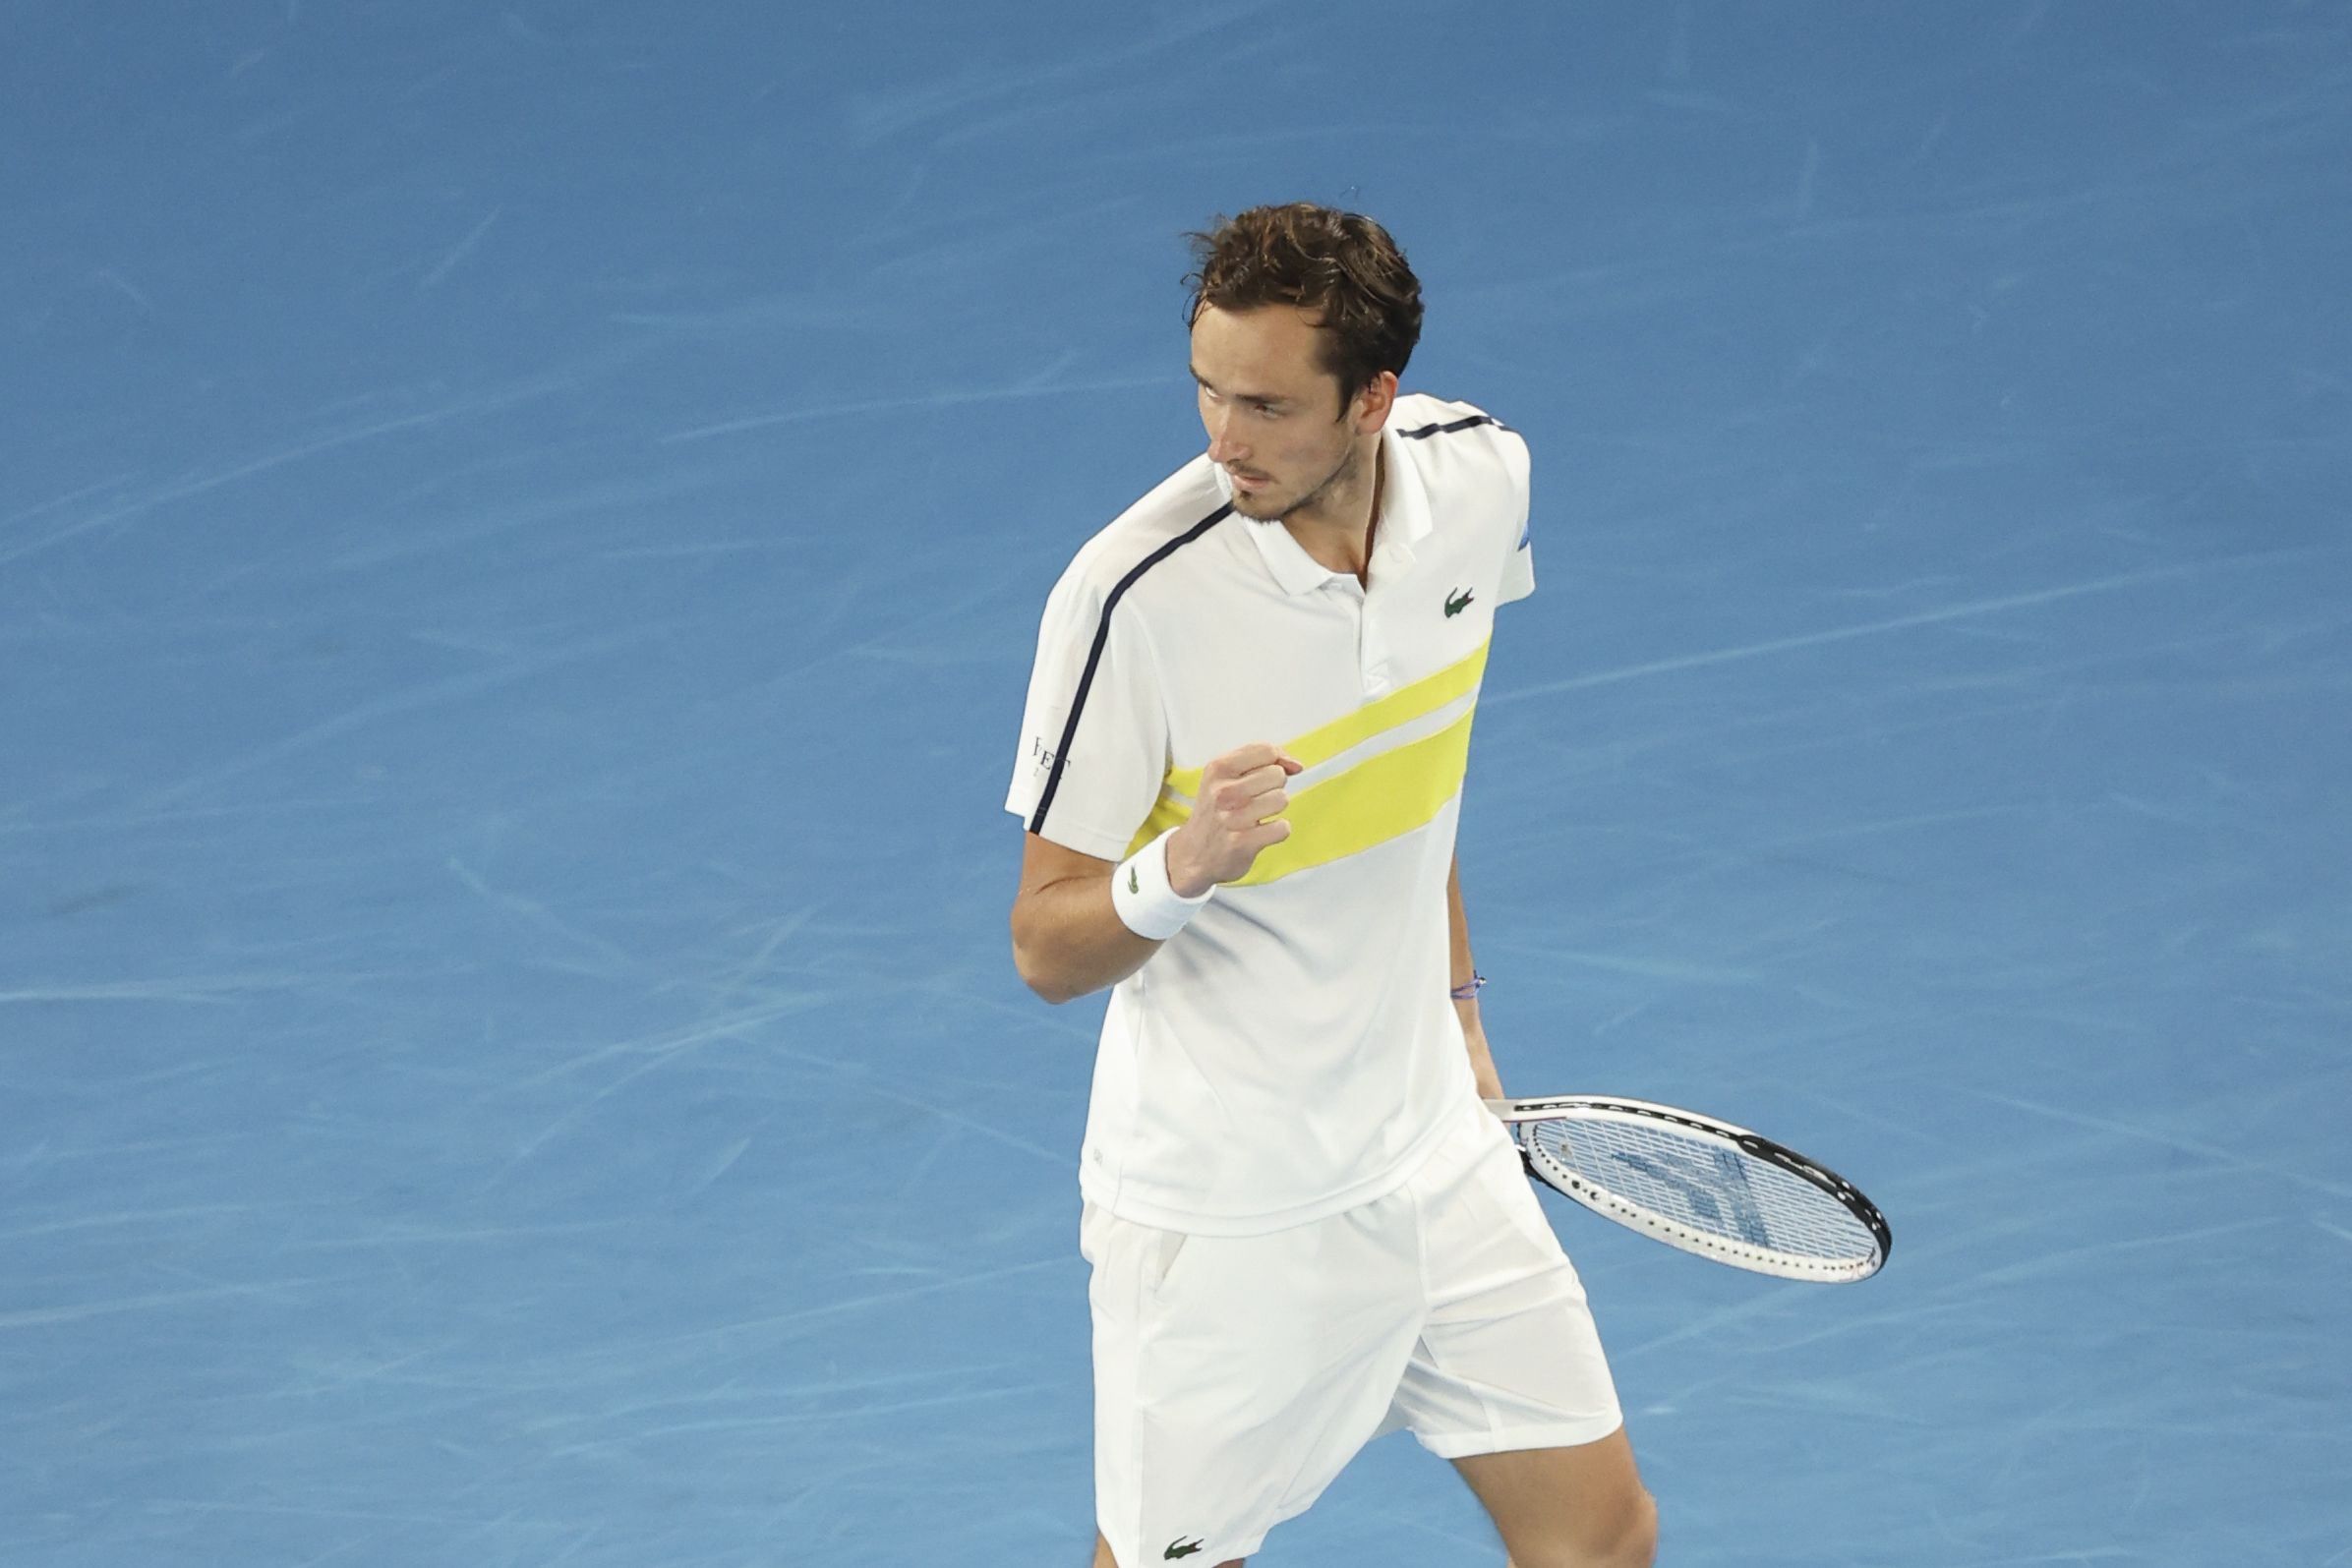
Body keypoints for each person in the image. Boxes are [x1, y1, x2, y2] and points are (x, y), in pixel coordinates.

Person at [1005, 203, 1656, 1568]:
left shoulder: (1481, 479)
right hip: (1227, 1211)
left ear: (1373, 398)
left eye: (1266, 406)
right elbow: (1045, 949)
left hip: (1434, 1158)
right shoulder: (1131, 600)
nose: (1223, 440)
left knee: (1601, 1541)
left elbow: (1421, 771)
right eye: (1206, 391)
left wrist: (1462, 1016)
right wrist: (1181, 868)